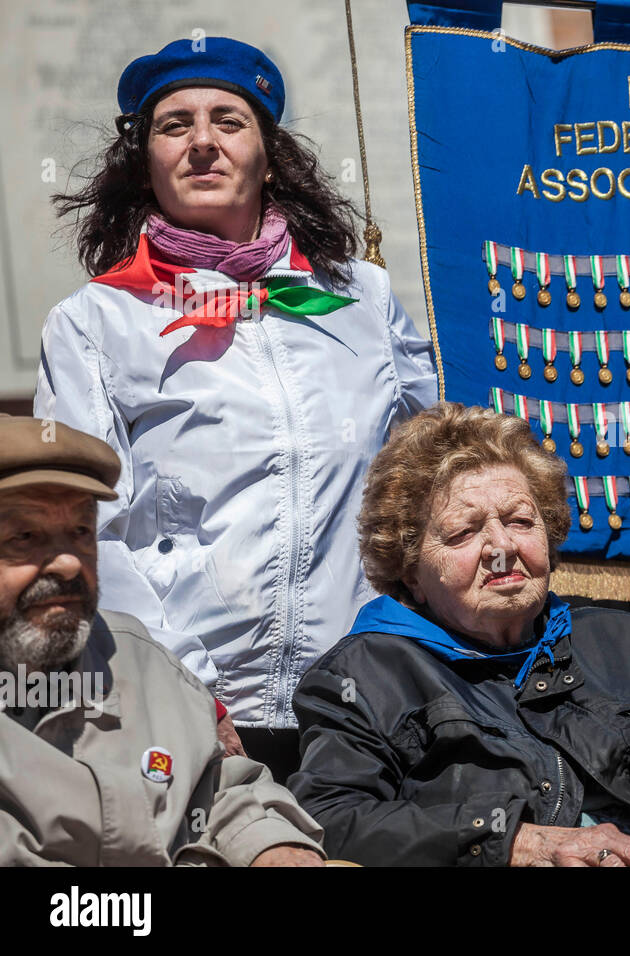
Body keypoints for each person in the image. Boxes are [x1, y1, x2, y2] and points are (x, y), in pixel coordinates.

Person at [36, 37, 439, 780]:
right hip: (189, 710)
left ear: (269, 154)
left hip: (368, 702)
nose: (201, 143)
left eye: (228, 120)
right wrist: (182, 687)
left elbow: (431, 478)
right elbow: (89, 522)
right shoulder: (96, 321)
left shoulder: (361, 301)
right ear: (144, 159)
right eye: (173, 125)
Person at [288, 403, 630, 866]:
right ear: (409, 567)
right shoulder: (363, 679)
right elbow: (332, 818)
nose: (501, 547)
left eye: (522, 522)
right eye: (463, 532)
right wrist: (518, 842)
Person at [0, 416, 324, 866]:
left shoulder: (136, 657)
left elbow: (218, 787)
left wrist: (270, 845)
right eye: (25, 536)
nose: (70, 564)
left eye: (80, 532)